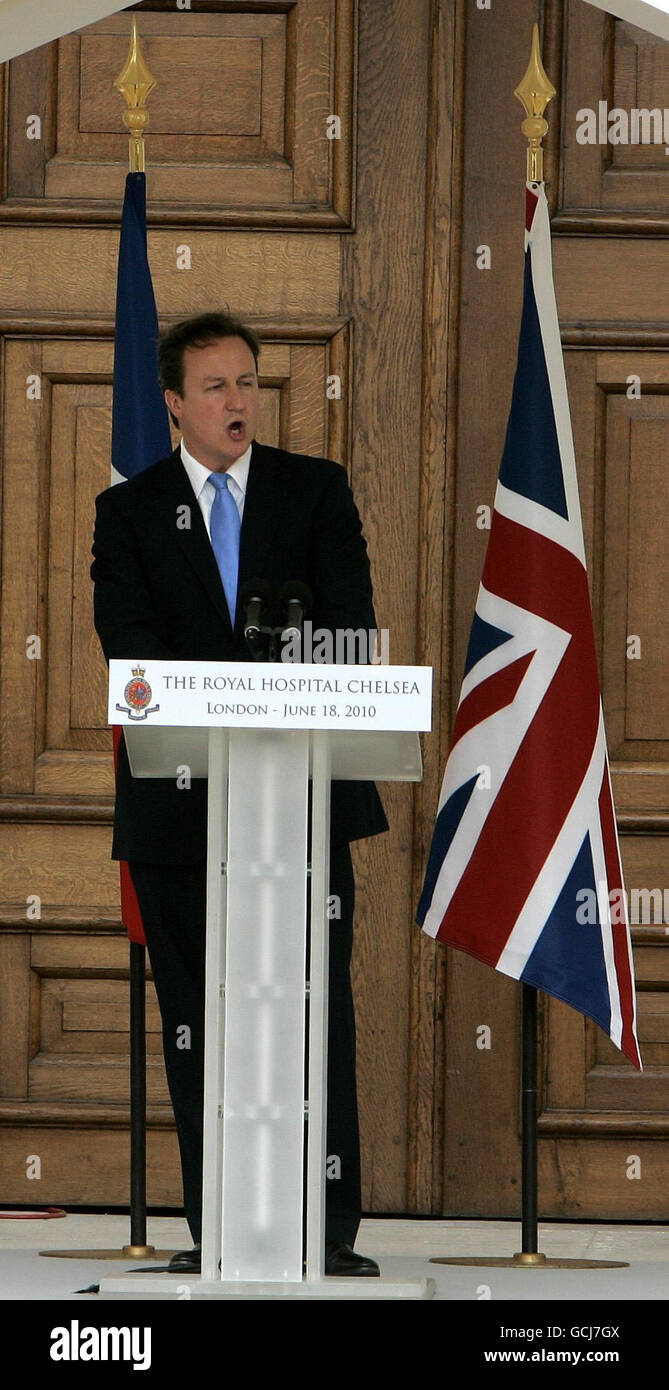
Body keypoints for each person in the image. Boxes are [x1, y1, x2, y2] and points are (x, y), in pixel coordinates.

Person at [91, 311, 388, 1276]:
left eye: (248, 383)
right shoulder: (128, 513)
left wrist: (271, 685)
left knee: (313, 1011)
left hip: (295, 808)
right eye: (215, 387)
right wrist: (228, 691)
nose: (237, 402)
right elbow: (130, 651)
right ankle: (217, 1227)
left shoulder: (313, 492)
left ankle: (326, 1230)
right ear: (172, 403)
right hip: (180, 812)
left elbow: (351, 630)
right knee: (198, 1019)